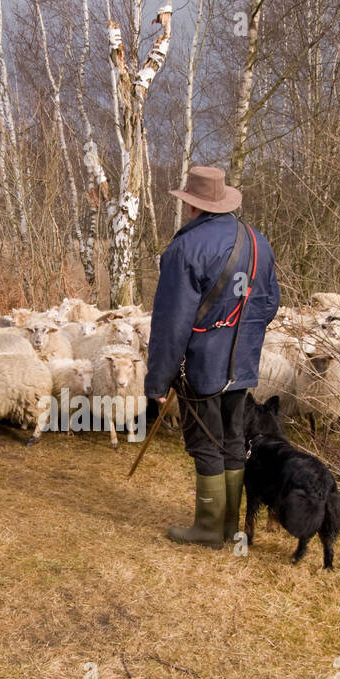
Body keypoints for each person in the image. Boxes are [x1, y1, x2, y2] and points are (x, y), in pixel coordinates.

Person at [144, 165, 281, 548]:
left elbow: (172, 322)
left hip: (202, 366)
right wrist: (242, 333)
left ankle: (208, 528)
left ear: (191, 206)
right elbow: (269, 303)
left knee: (206, 441)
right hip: (243, 363)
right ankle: (228, 527)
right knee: (234, 438)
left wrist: (157, 380)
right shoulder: (259, 242)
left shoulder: (185, 248)